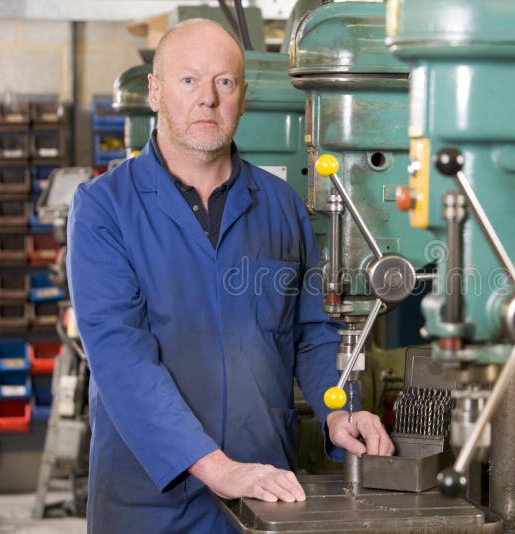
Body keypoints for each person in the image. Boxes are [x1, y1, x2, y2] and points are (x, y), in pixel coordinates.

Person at [67, 18, 394, 533]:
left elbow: (313, 334)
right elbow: (121, 359)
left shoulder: (281, 206)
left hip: (263, 492)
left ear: (242, 96)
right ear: (155, 91)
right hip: (148, 503)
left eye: (224, 82)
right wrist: (218, 469)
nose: (208, 99)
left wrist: (340, 411)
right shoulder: (104, 208)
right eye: (189, 80)